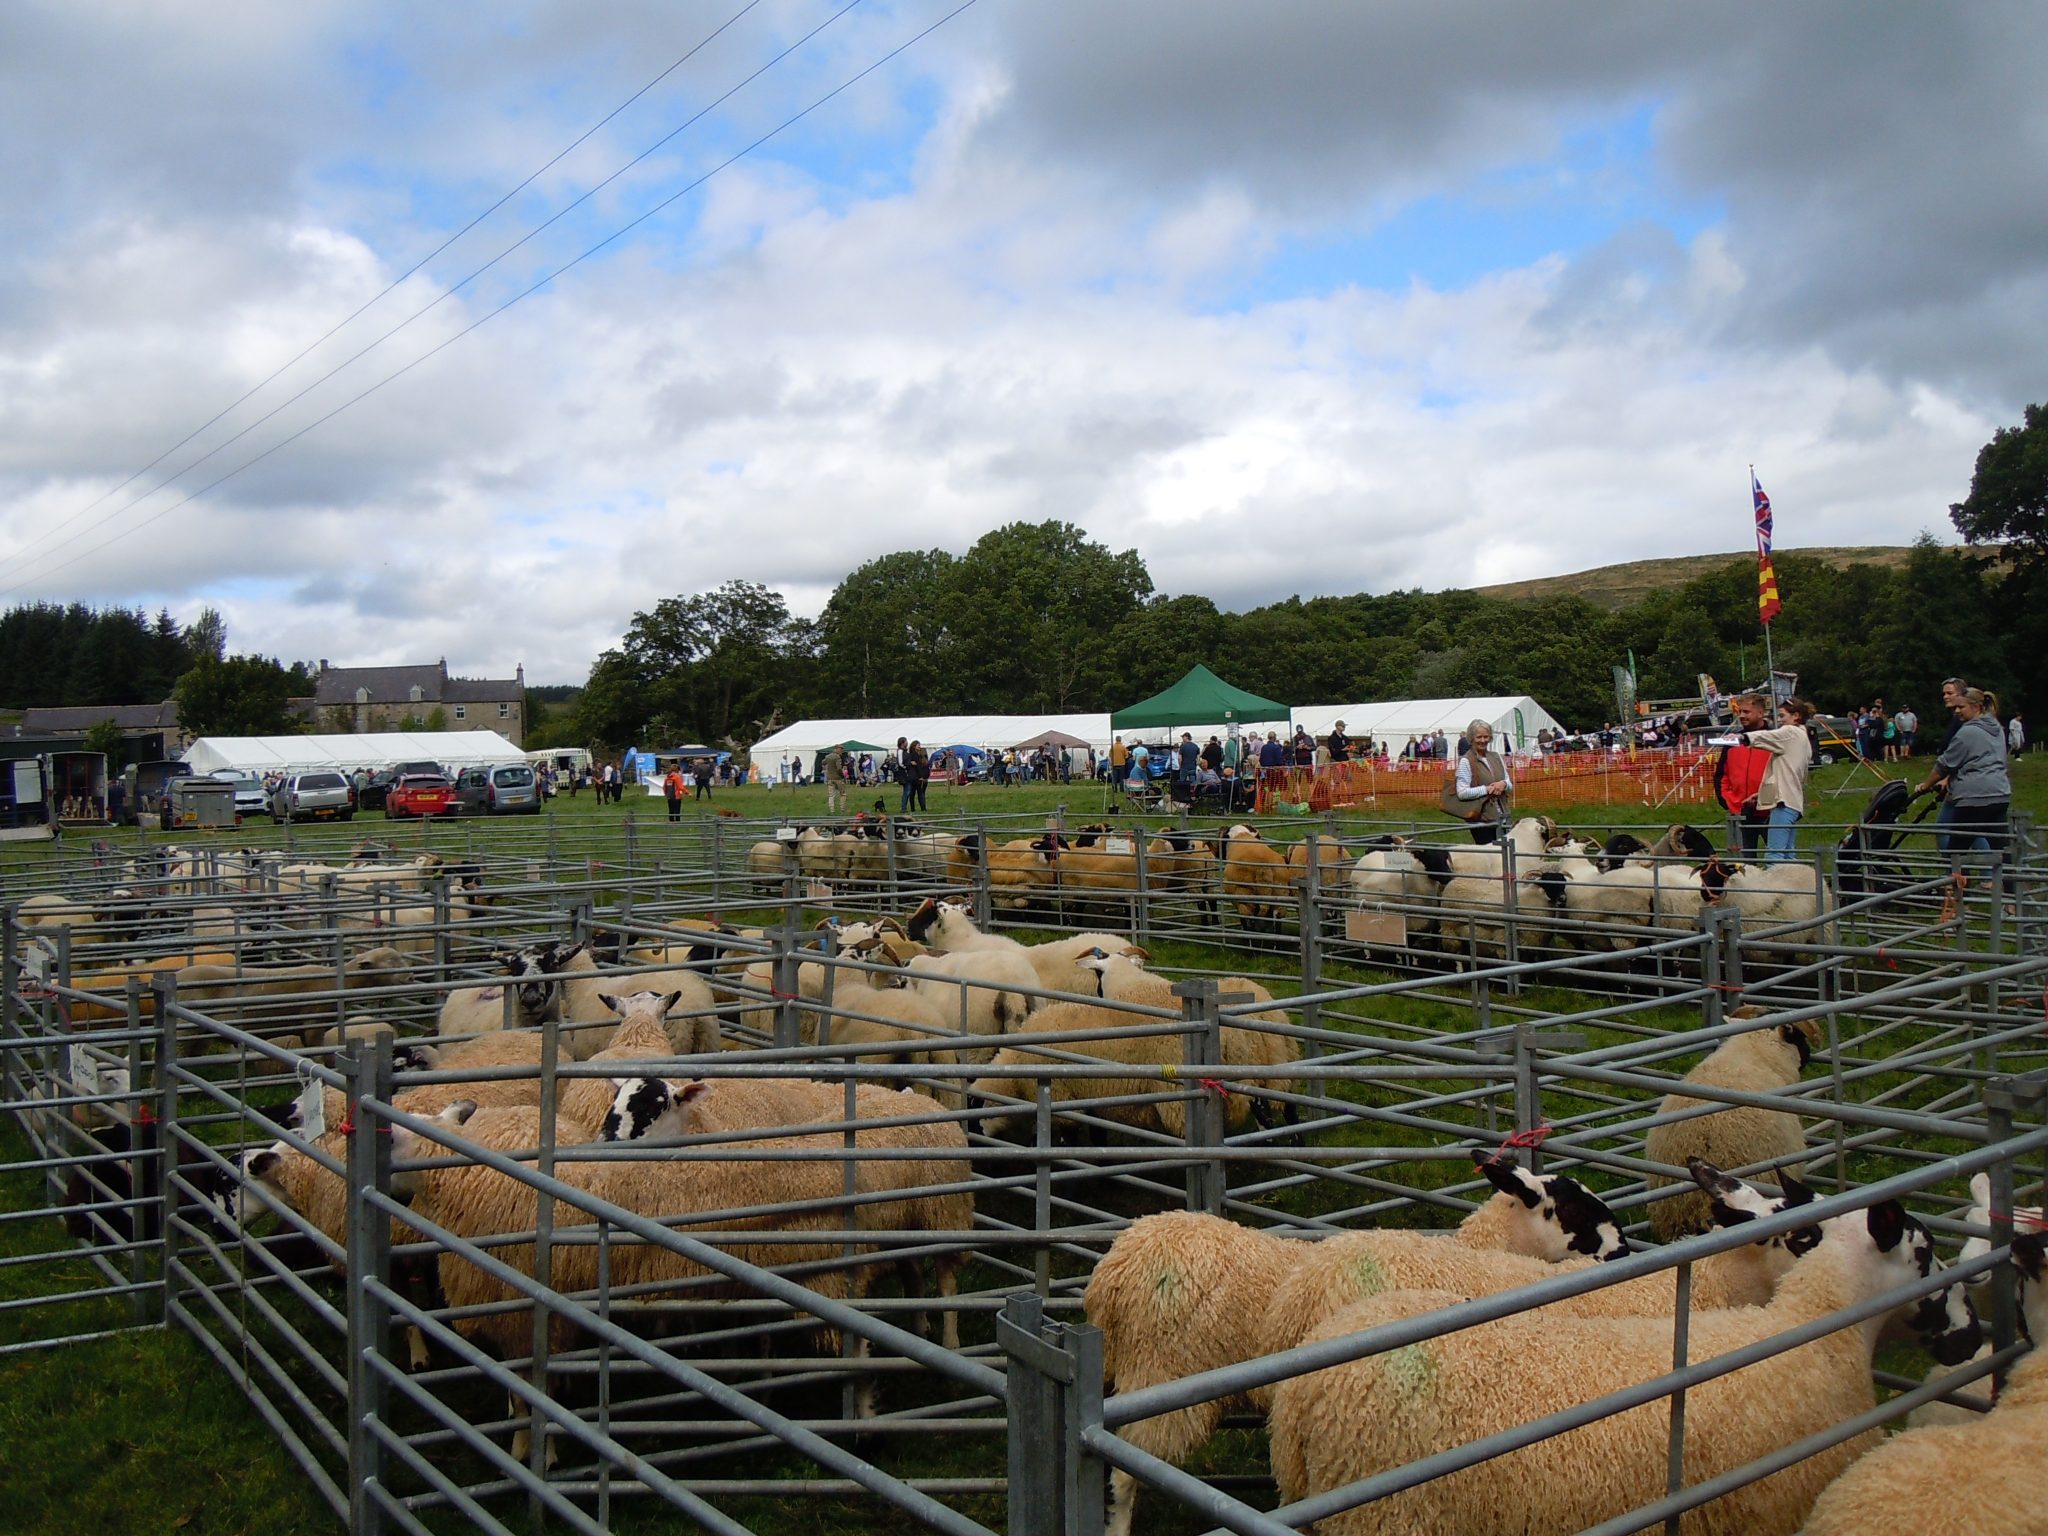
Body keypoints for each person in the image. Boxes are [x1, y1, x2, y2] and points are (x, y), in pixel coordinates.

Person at [1919, 688, 2011, 856]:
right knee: (2001, 847)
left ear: (1976, 707)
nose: (1957, 712)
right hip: (2000, 792)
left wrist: (1925, 786)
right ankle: (2007, 880)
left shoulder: (1967, 732)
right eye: (1955, 708)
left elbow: (1944, 765)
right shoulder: (1996, 727)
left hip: (1974, 796)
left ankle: (1958, 881)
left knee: (1956, 850)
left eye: (1961, 707)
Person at [1733, 694, 1814, 864]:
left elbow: (1766, 737)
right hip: (1794, 802)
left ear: (1796, 716)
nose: (1780, 720)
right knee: (1788, 854)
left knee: (1774, 855)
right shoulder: (1803, 738)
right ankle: (1794, 889)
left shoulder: (1790, 732)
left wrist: (1743, 738)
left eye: (1783, 716)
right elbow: (1786, 775)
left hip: (1784, 803)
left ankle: (1774, 890)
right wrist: (1760, 795)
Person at [1447, 719, 1514, 844]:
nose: (1483, 740)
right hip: (1482, 820)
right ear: (1471, 738)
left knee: (1506, 856)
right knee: (1490, 859)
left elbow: (1510, 784)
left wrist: (1503, 784)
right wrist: (1487, 789)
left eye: (1486, 737)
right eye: (1479, 737)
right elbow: (1462, 792)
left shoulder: (1496, 757)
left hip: (1504, 817)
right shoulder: (1466, 761)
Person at [822, 743, 847, 813]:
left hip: (830, 778)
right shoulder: (837, 757)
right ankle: (842, 809)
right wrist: (842, 775)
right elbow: (839, 768)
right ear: (837, 749)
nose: (842, 751)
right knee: (843, 794)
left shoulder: (828, 756)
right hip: (838, 778)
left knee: (831, 795)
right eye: (841, 749)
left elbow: (823, 762)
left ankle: (832, 810)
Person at [909, 739, 930, 812]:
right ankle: (923, 808)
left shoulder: (912, 755)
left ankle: (913, 808)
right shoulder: (915, 755)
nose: (920, 747)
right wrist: (921, 776)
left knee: (913, 793)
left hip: (914, 777)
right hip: (916, 777)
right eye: (918, 745)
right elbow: (918, 767)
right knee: (919, 792)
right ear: (914, 746)